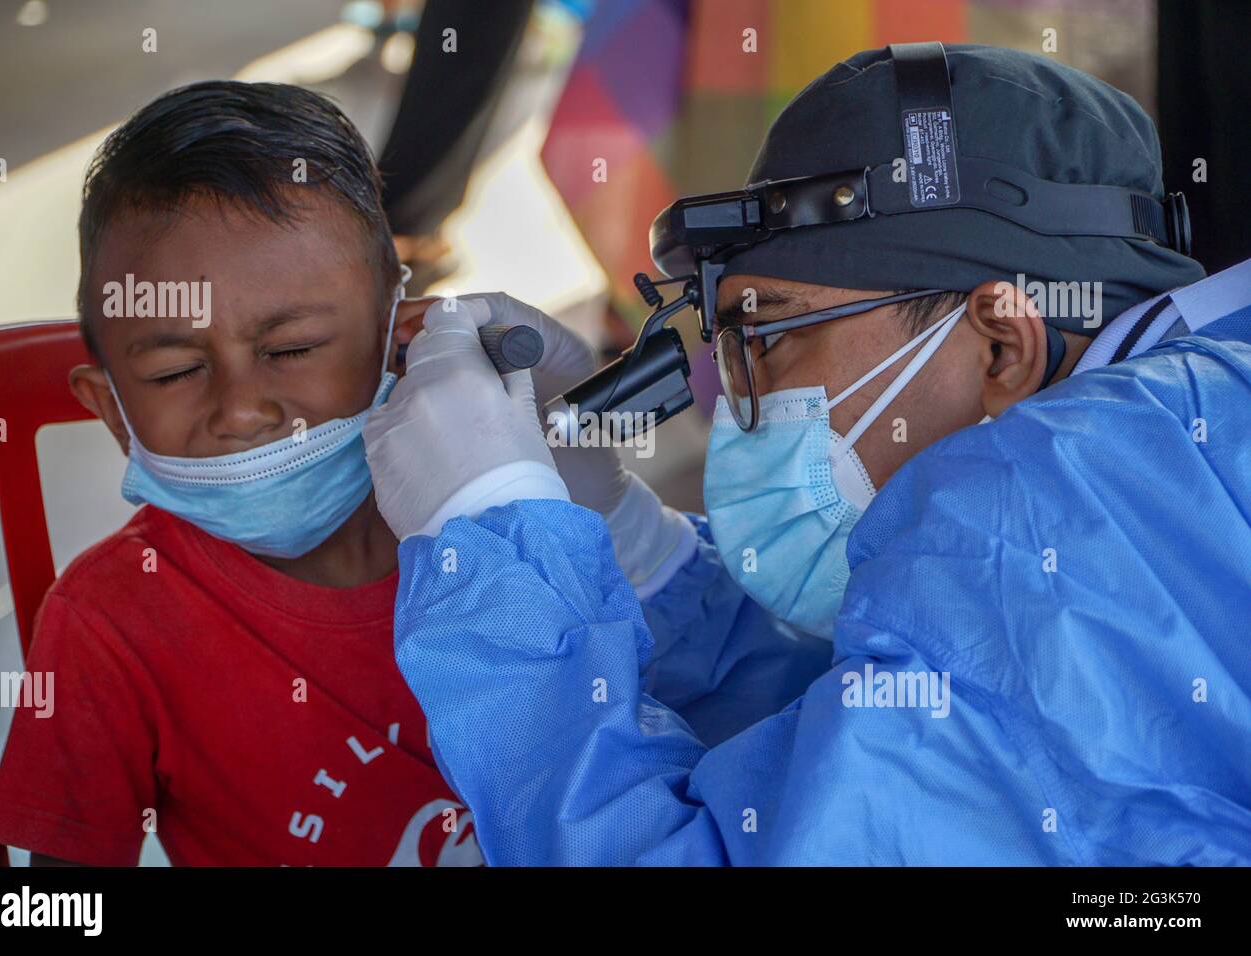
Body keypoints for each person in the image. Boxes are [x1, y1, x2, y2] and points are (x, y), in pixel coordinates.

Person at [362, 45, 1251, 864]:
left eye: (767, 338)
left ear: (999, 347)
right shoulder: (1179, 430)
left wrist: (492, 550)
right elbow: (901, 732)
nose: (736, 402)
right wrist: (638, 547)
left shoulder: (1039, 497)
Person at [0, 81, 481, 866]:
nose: (242, 410)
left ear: (402, 340)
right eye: (178, 370)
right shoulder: (111, 624)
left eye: (290, 350)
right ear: (112, 411)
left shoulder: (495, 520)